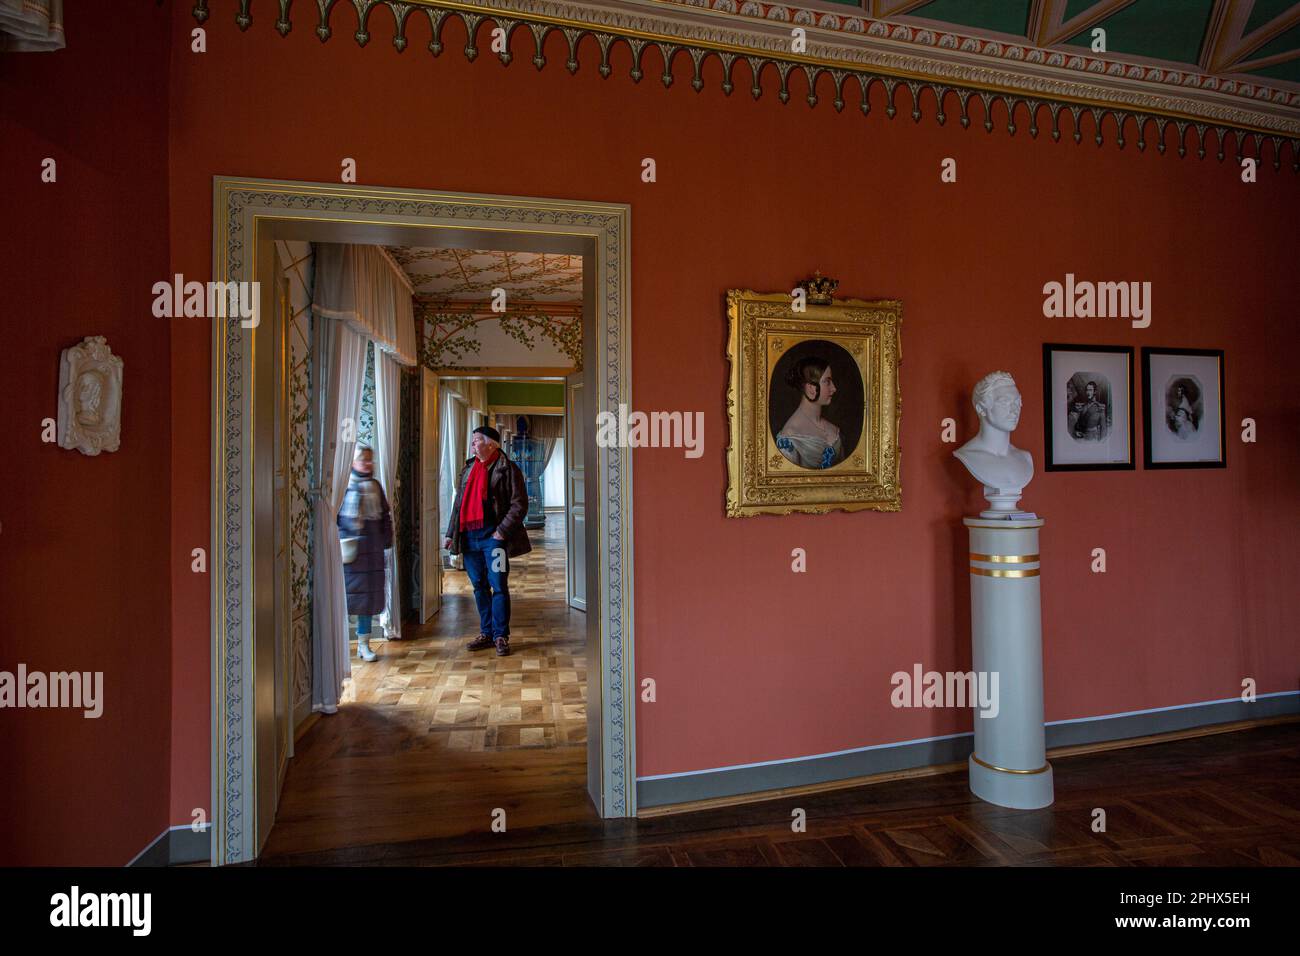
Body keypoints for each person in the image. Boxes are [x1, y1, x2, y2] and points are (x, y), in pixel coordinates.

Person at [443, 425, 531, 656]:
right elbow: (458, 504)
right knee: (479, 586)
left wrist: (501, 532)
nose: (473, 444)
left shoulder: (509, 469)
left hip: (494, 539)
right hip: (470, 538)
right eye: (473, 440)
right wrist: (451, 533)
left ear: (492, 444)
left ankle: (501, 635)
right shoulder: (469, 468)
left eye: (477, 440)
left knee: (498, 585)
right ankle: (486, 632)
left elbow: (519, 504)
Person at [338, 445, 393, 662]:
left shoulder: (375, 486)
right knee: (345, 598)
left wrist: (386, 540)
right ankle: (340, 645)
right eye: (363, 460)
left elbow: (385, 516)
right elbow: (336, 518)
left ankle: (364, 644)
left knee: (367, 601)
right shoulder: (344, 486)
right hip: (350, 552)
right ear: (352, 462)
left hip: (373, 549)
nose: (368, 464)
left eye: (370, 460)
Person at [775, 356, 843, 469]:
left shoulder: (834, 430)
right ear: (811, 388)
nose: (834, 388)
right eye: (827, 382)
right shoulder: (790, 438)